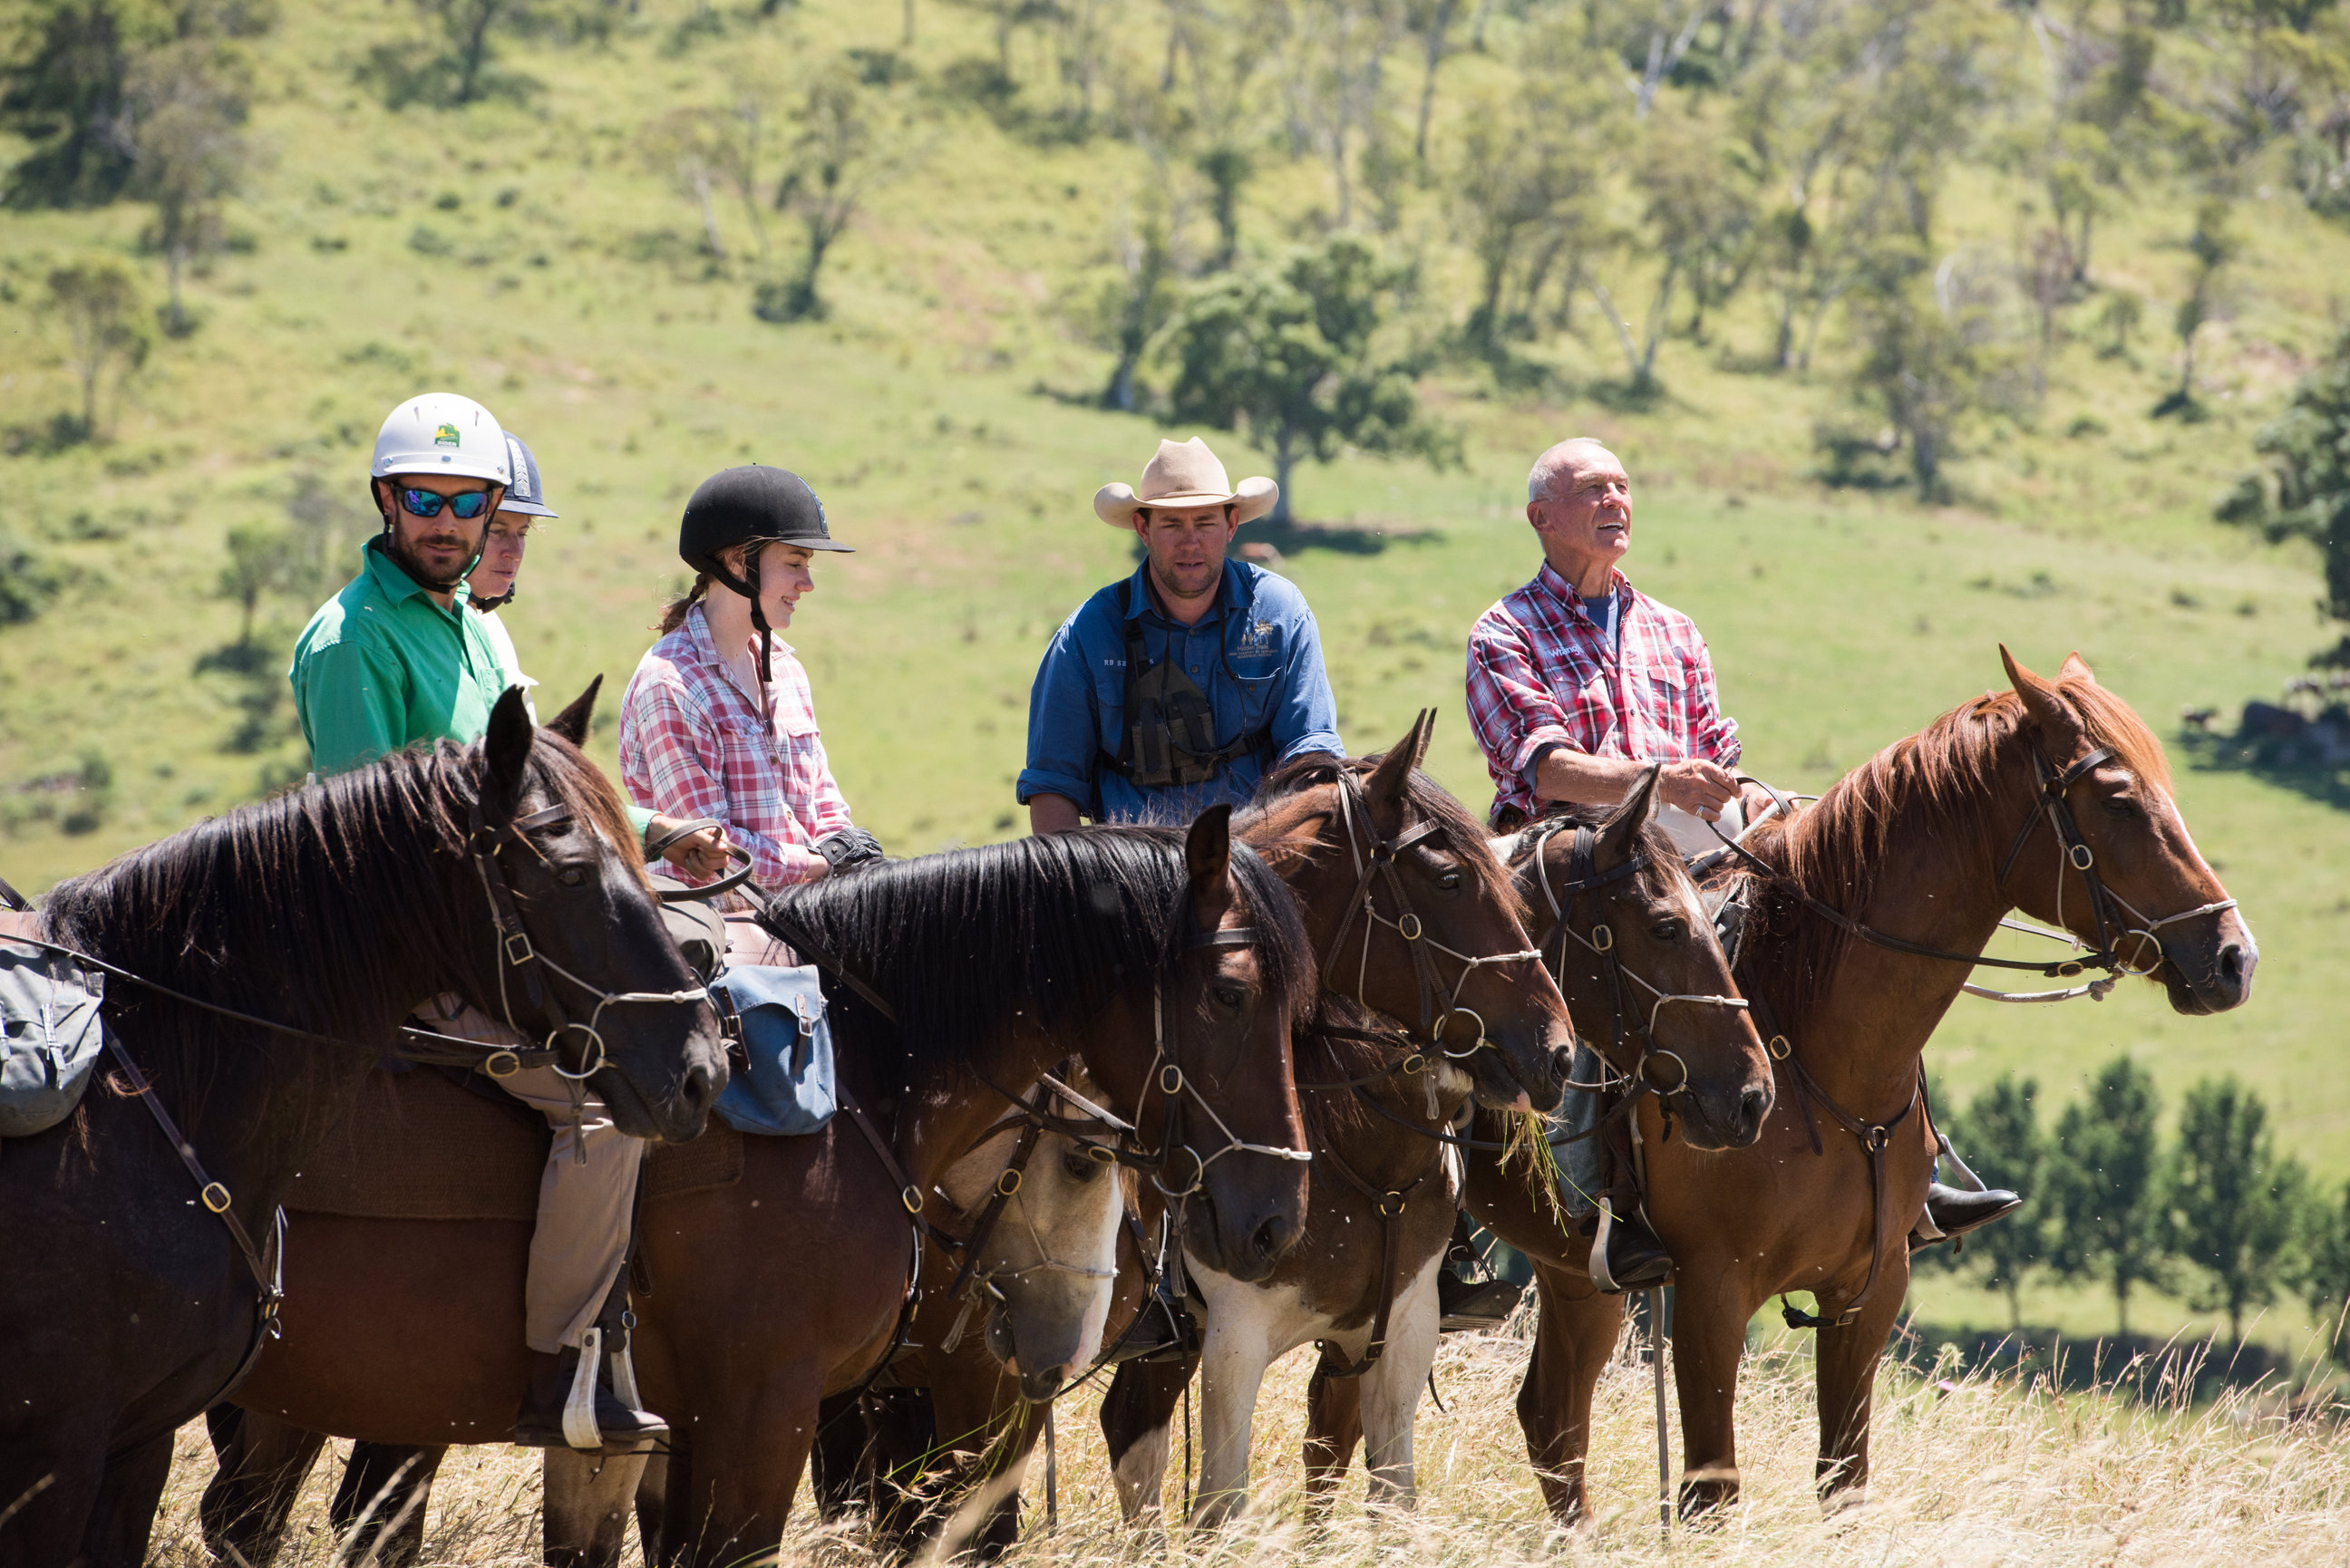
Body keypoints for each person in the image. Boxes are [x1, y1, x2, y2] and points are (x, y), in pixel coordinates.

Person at [1462, 437, 2015, 1289]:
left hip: (1683, 847)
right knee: (1553, 986)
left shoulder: (1674, 632)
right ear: (1543, 518)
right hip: (1563, 857)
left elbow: (1720, 754)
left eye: (1622, 487)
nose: (1615, 502)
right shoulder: (1505, 630)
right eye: (1591, 491)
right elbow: (1542, 768)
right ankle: (1565, 1206)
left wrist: (1758, 804)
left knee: (1837, 922)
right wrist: (1659, 782)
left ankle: (1911, 1164)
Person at [286, 392, 675, 1449]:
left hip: (501, 941)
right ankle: (561, 1372)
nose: (449, 522)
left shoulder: (480, 630)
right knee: (604, 1106)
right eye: (427, 500)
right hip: (415, 964)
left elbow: (536, 795)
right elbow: (368, 838)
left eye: (470, 502)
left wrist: (661, 831)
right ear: (386, 501)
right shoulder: (349, 641)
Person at [617, 465, 883, 955]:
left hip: (805, 925)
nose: (807, 583)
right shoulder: (671, 684)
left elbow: (823, 803)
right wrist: (824, 864)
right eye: (795, 563)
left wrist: (850, 853)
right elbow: (714, 853)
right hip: (713, 946)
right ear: (741, 562)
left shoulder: (786, 669)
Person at [1019, 437, 1344, 829]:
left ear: (1231, 525)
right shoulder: (1087, 634)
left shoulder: (1281, 612)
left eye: (1205, 522)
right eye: (1172, 524)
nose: (1191, 542)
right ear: (1143, 528)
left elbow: (1312, 753)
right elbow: (1052, 784)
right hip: (1131, 871)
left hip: (1258, 866)